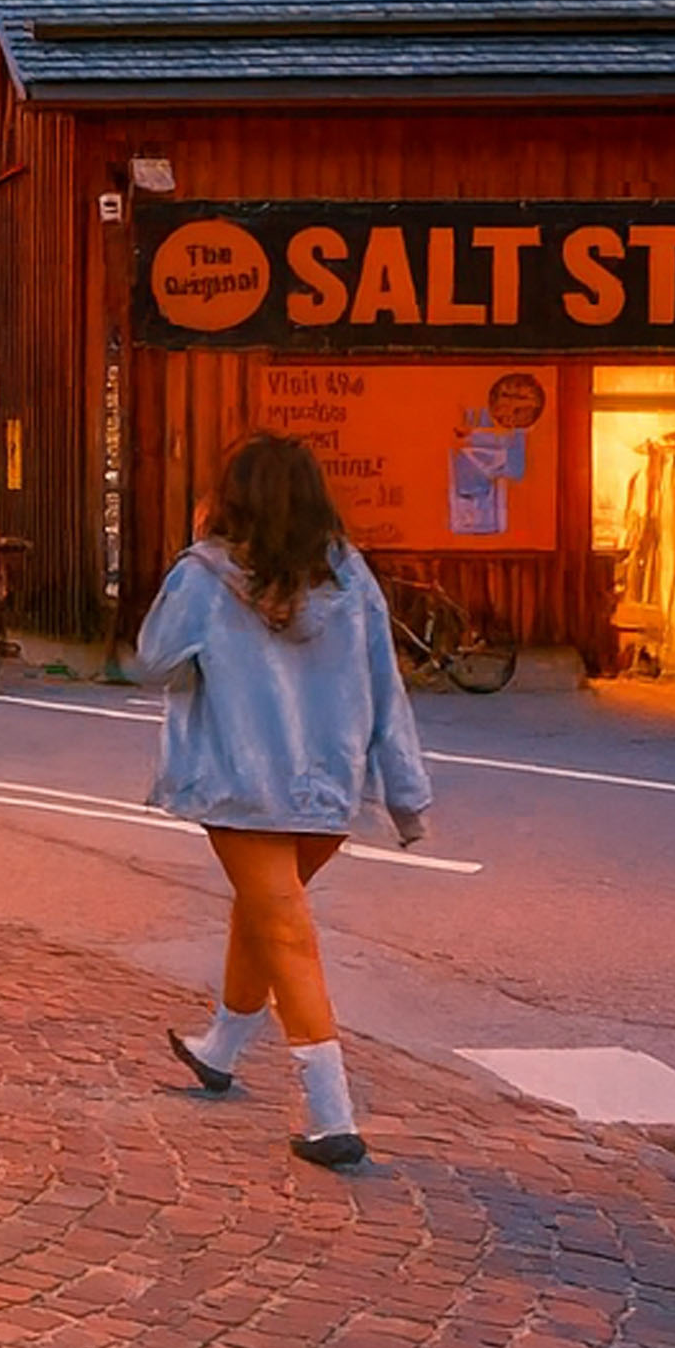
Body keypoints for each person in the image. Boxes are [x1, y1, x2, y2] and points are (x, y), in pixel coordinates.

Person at [140, 431, 433, 1169]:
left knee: (285, 927)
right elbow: (385, 686)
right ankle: (221, 1046)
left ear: (229, 496)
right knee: (269, 911)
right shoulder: (349, 575)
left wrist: (191, 552)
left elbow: (154, 659)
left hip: (240, 784)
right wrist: (405, 795)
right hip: (327, 786)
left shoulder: (204, 575)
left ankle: (332, 1113)